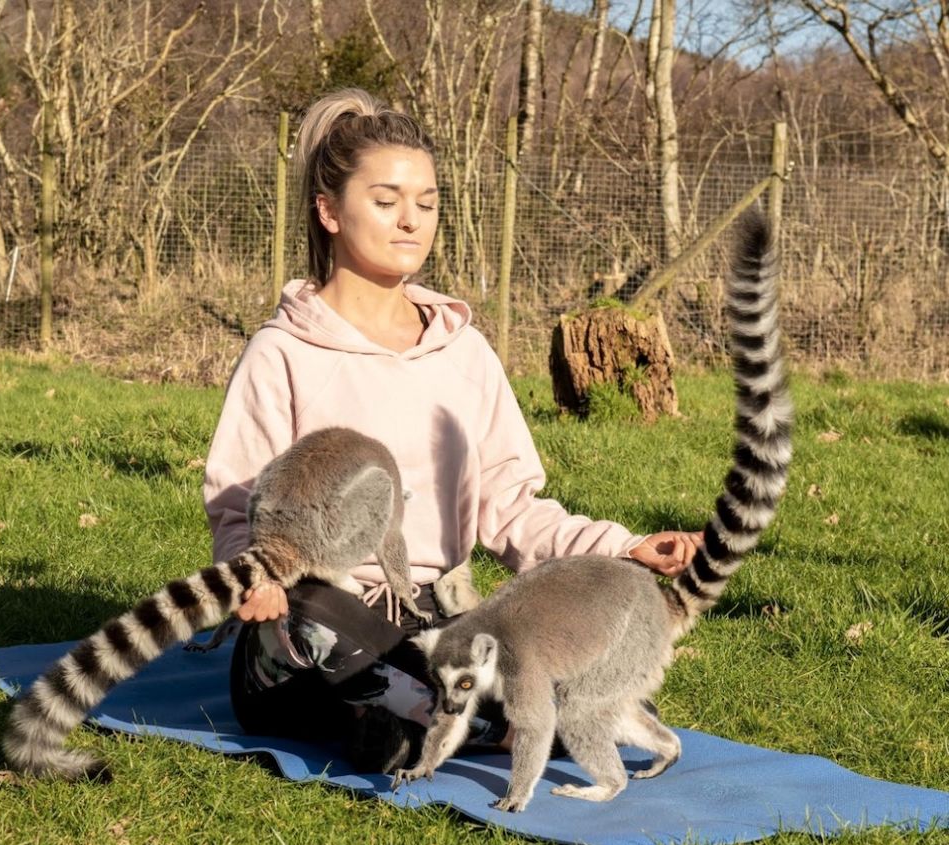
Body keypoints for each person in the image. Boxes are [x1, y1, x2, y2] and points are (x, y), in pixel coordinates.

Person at [202, 88, 702, 771]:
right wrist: (251, 581)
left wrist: (630, 546)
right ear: (329, 210)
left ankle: (412, 716)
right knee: (324, 616)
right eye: (386, 201)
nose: (411, 221)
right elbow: (237, 502)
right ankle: (419, 711)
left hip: (436, 623)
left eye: (428, 203)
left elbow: (513, 506)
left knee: (567, 675)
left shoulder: (463, 352)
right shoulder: (283, 351)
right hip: (312, 625)